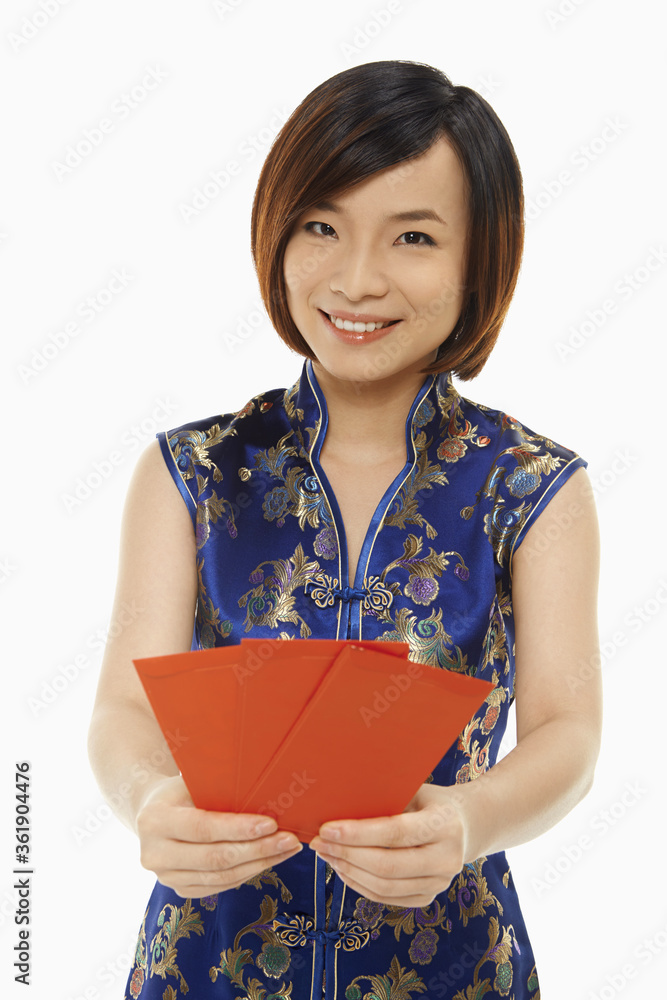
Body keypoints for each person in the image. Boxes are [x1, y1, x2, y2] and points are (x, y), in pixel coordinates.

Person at [87, 59, 601, 1000]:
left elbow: (567, 736)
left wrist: (468, 824)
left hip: (453, 968)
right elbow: (124, 710)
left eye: (412, 236)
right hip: (210, 965)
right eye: (321, 226)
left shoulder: (531, 486)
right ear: (276, 237)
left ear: (480, 257)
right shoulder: (193, 473)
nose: (356, 279)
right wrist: (149, 802)